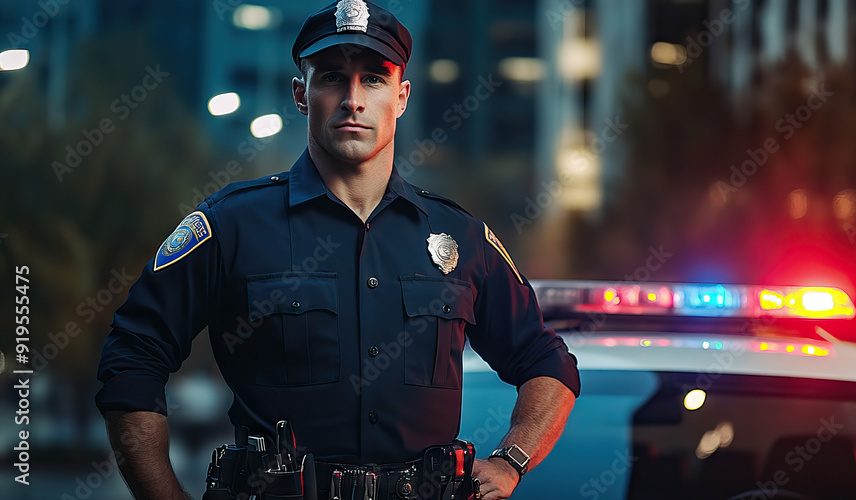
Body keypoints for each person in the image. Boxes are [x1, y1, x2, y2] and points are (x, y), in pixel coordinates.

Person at [95, 1, 580, 499]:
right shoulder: (231, 226)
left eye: (373, 78)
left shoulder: (463, 237)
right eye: (331, 77)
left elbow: (547, 361)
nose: (353, 99)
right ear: (301, 94)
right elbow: (132, 359)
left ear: (402, 96)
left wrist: (511, 461)